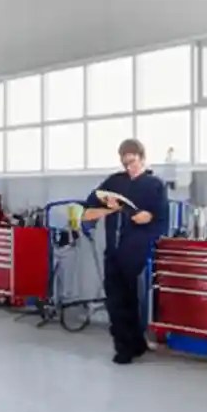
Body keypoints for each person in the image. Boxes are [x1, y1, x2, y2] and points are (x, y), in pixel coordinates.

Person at [80, 138, 169, 365]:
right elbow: (91, 204)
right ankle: (126, 346)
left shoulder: (154, 185)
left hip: (137, 249)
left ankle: (134, 343)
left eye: (133, 162)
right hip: (114, 249)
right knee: (116, 299)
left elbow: (161, 219)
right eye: (125, 162)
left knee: (130, 298)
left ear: (142, 159)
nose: (129, 167)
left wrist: (146, 217)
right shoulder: (114, 182)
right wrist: (100, 211)